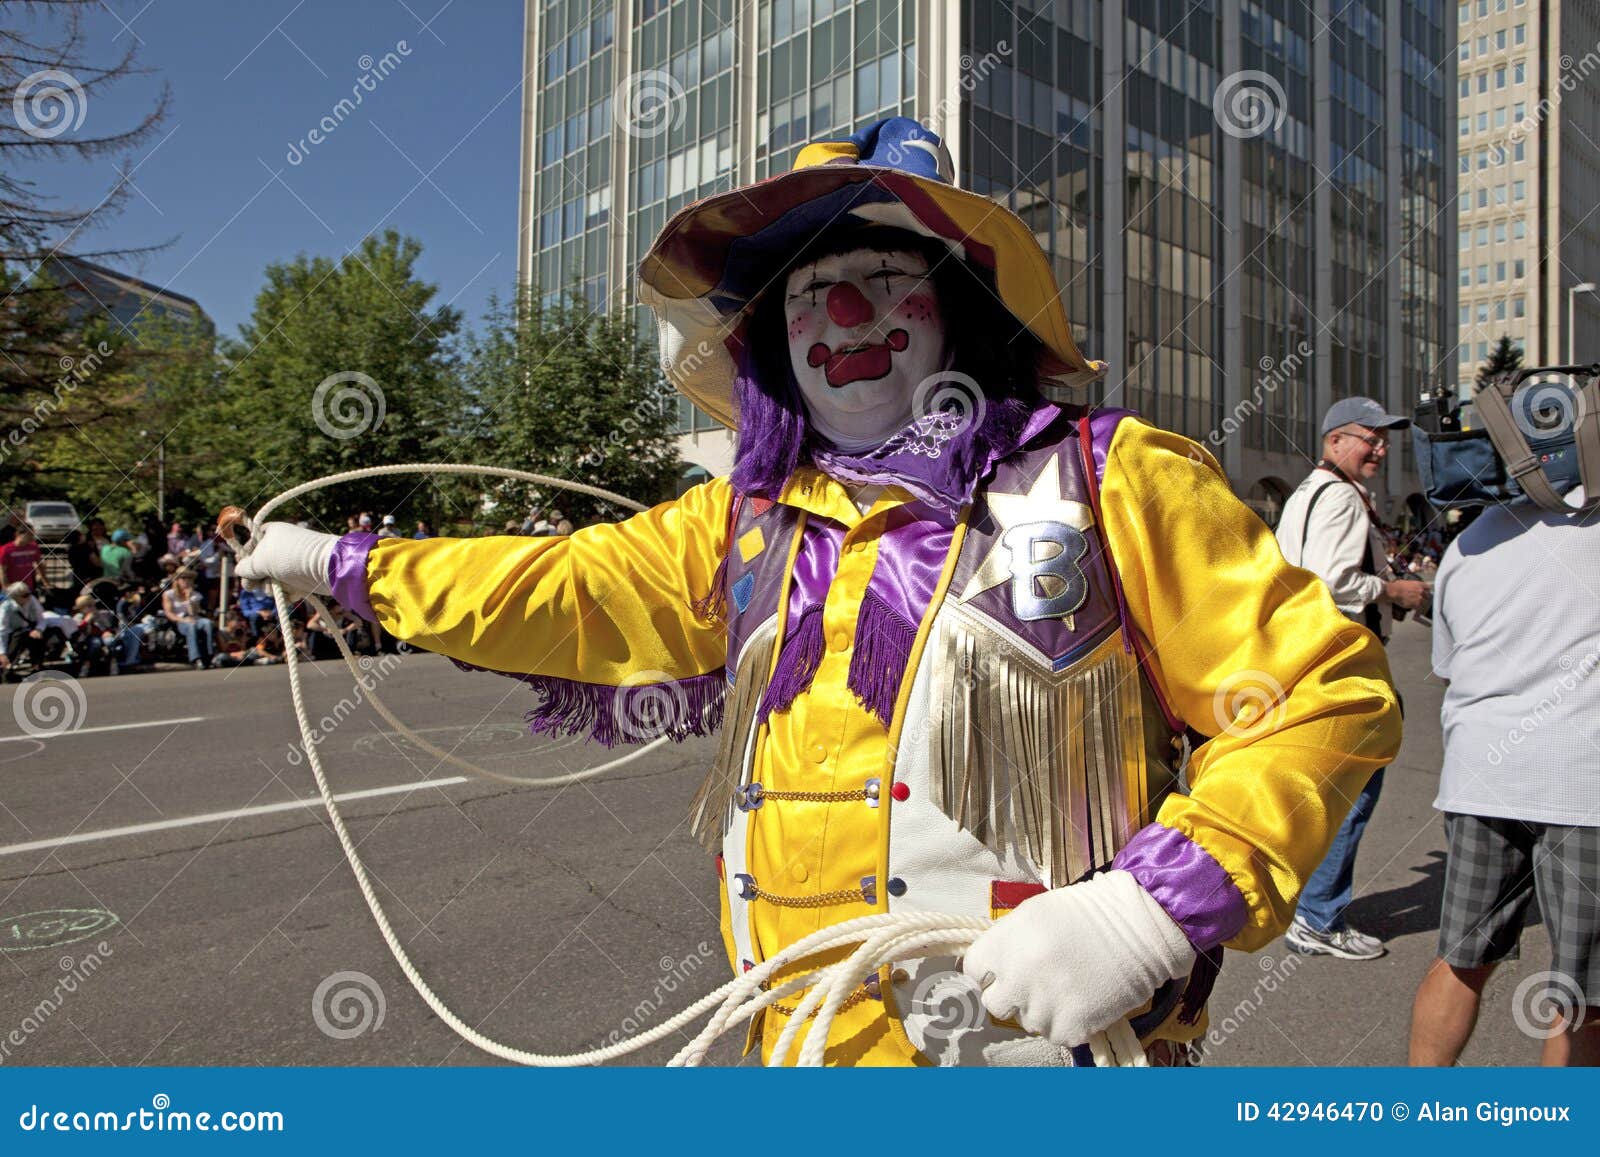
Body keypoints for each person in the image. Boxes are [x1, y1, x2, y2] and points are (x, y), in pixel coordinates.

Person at [237, 117, 1399, 1066]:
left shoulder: (1110, 478)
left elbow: (1315, 692)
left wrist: (1149, 908)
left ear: (960, 307)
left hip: (1042, 1058)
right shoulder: (748, 518)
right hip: (803, 1049)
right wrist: (345, 566)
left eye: (884, 275)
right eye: (807, 290)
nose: (840, 313)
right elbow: (567, 586)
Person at [1408, 486, 1600, 1066]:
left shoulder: (1474, 539)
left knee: (1463, 957)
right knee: (1584, 991)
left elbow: (1447, 664)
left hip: (1482, 777)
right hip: (1582, 783)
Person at [1272, 397, 1428, 961]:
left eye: (1385, 439)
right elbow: (1331, 581)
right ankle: (1318, 917)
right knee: (1355, 789)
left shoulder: (1308, 492)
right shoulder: (1338, 497)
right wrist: (1393, 591)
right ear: (1334, 440)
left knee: (1326, 788)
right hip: (1345, 662)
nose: (1381, 448)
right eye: (1371, 437)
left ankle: (1306, 906)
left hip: (1310, 658)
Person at [162, 571, 216, 669]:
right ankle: (196, 658)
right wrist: (183, 620)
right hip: (180, 620)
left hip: (194, 618)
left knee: (207, 623)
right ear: (177, 580)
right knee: (191, 626)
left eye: (189, 579)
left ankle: (209, 655)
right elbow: (169, 613)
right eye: (183, 579)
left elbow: (193, 613)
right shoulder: (169, 594)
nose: (186, 581)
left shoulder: (196, 594)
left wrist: (189, 598)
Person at [1, 581, 45, 678]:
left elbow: (41, 619)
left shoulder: (32, 600)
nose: (29, 596)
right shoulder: (6, 607)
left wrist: (38, 629)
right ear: (15, 597)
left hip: (30, 630)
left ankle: (37, 667)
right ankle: (7, 669)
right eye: (25, 595)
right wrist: (2, 653)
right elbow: (2, 632)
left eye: (29, 593)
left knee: (37, 637)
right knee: (18, 637)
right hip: (13, 634)